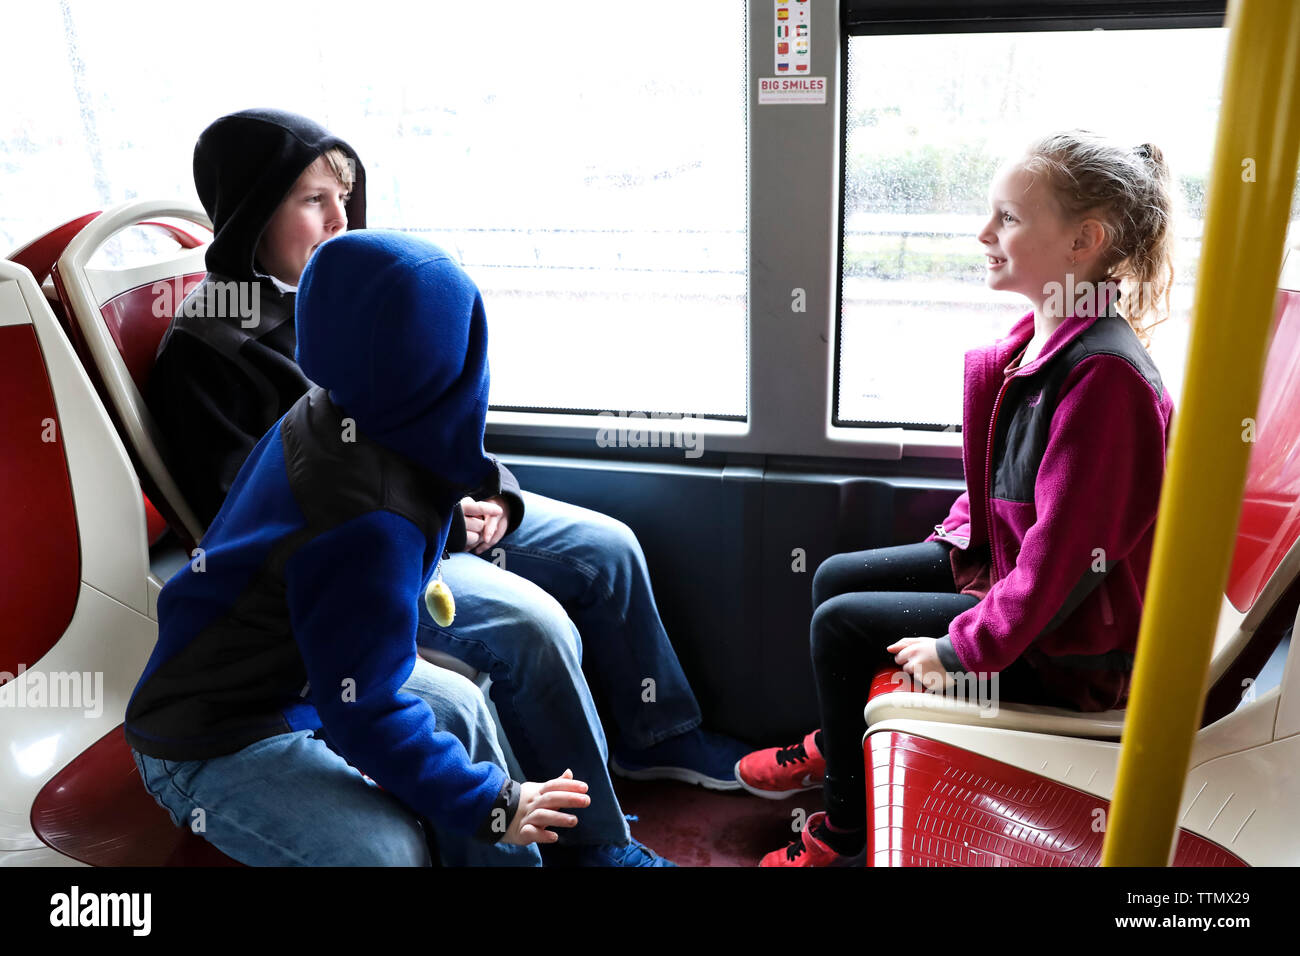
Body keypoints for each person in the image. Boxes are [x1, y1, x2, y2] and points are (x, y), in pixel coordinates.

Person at [147, 108, 748, 865]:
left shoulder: (348, 295)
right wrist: (426, 519)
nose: (338, 219)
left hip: (409, 516)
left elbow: (428, 424)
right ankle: (556, 828)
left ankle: (644, 761)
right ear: (251, 211)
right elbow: (264, 522)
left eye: (345, 198)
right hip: (360, 553)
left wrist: (489, 491)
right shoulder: (215, 351)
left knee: (607, 550)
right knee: (534, 630)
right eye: (311, 200)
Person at [737, 130, 1178, 866]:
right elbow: (1003, 497)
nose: (983, 234)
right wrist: (956, 551)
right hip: (1021, 594)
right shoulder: (1040, 344)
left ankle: (843, 836)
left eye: (1007, 218)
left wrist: (962, 649)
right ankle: (844, 735)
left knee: (843, 627)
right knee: (835, 578)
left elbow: (1067, 559)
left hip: (1073, 653)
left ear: (1084, 241)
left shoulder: (1105, 379)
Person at [127, 230, 592, 865]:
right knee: (386, 853)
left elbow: (326, 535)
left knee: (460, 705)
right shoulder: (367, 523)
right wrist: (493, 805)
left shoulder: (331, 408)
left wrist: (442, 523)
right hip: (211, 732)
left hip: (299, 675)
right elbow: (363, 706)